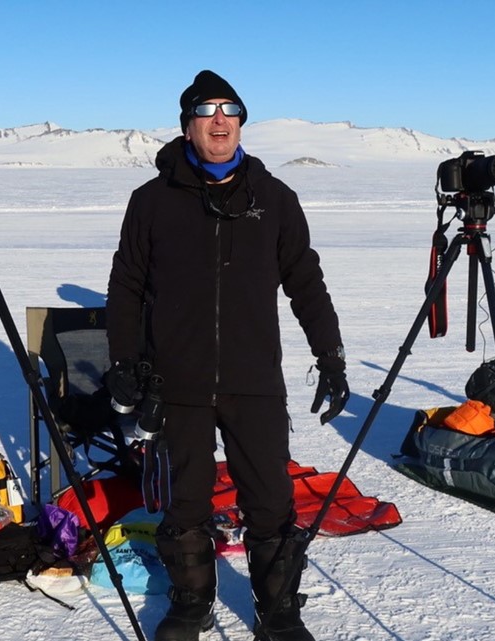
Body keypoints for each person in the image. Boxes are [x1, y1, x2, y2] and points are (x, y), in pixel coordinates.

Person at [104, 70, 349, 641]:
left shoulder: (275, 198)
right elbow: (126, 287)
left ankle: (278, 611)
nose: (219, 119)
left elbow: (305, 281)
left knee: (269, 498)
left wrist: (330, 353)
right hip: (177, 380)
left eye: (229, 108)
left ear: (240, 121)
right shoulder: (151, 201)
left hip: (254, 377)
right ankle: (192, 604)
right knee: (185, 501)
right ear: (188, 125)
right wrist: (122, 361)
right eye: (206, 110)